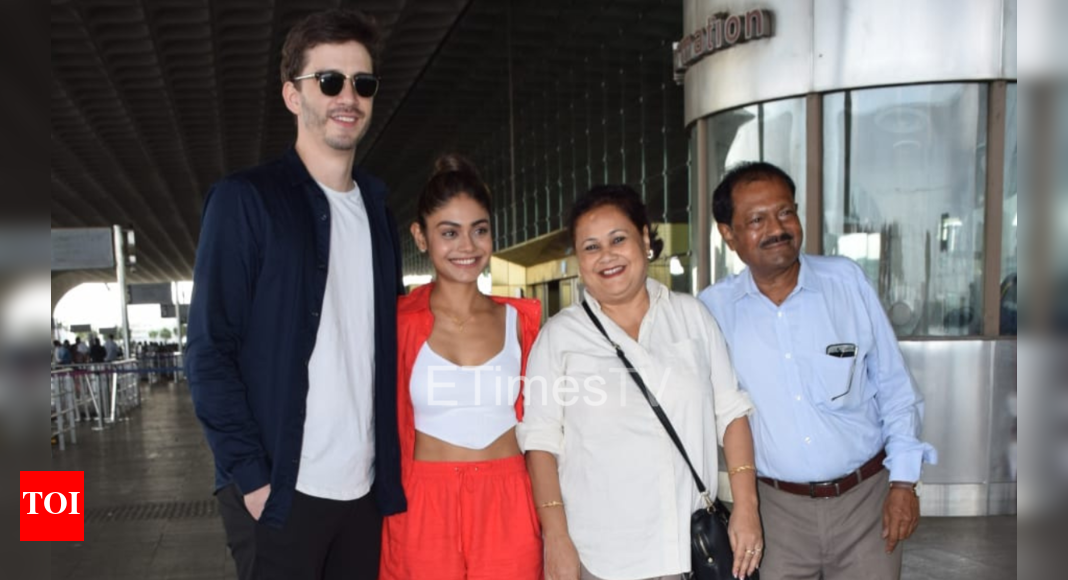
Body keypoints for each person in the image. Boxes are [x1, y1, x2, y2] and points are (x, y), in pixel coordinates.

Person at [184, 9, 404, 580]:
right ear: (292, 95)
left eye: (363, 83)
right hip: (281, 494)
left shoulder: (378, 214)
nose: (347, 96)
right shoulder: (245, 202)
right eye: (328, 80)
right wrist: (253, 481)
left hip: (362, 495)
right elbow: (209, 351)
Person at [697, 161, 938, 580]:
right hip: (774, 511)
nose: (778, 227)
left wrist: (903, 484)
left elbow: (894, 388)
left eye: (785, 212)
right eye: (757, 219)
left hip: (867, 502)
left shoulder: (846, 282)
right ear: (728, 234)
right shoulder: (713, 310)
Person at [519, 185, 762, 580]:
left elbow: (731, 413)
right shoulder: (559, 338)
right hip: (605, 558)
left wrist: (747, 508)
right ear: (578, 259)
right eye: (591, 247)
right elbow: (540, 442)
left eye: (618, 239)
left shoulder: (691, 317)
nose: (607, 256)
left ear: (645, 239)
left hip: (695, 551)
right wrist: (556, 539)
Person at [380, 154, 544, 579]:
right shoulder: (395, 323)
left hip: (508, 497)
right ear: (421, 237)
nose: (467, 247)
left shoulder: (522, 323)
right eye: (449, 233)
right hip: (424, 501)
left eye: (479, 230)